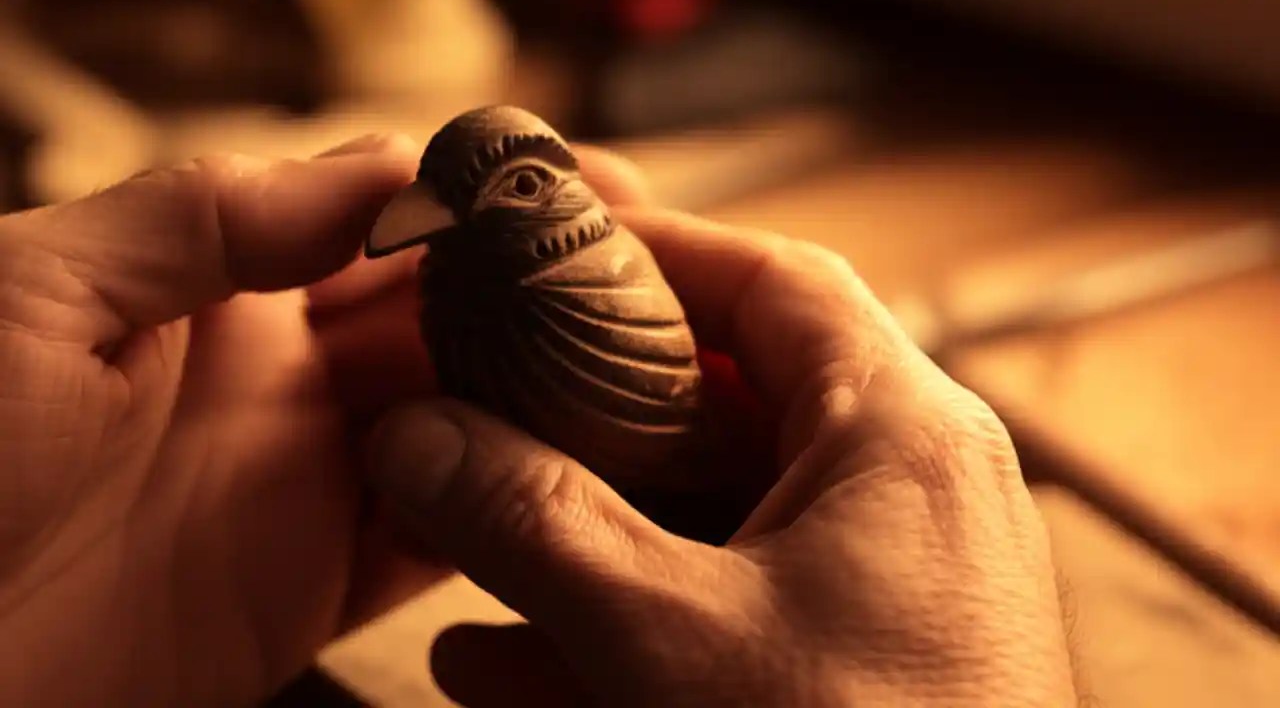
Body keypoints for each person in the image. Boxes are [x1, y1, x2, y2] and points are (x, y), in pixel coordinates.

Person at [0, 133, 1078, 707]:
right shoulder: (447, 276)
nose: (461, 211)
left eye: (510, 188)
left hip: (661, 478)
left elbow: (640, 410)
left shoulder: (581, 278)